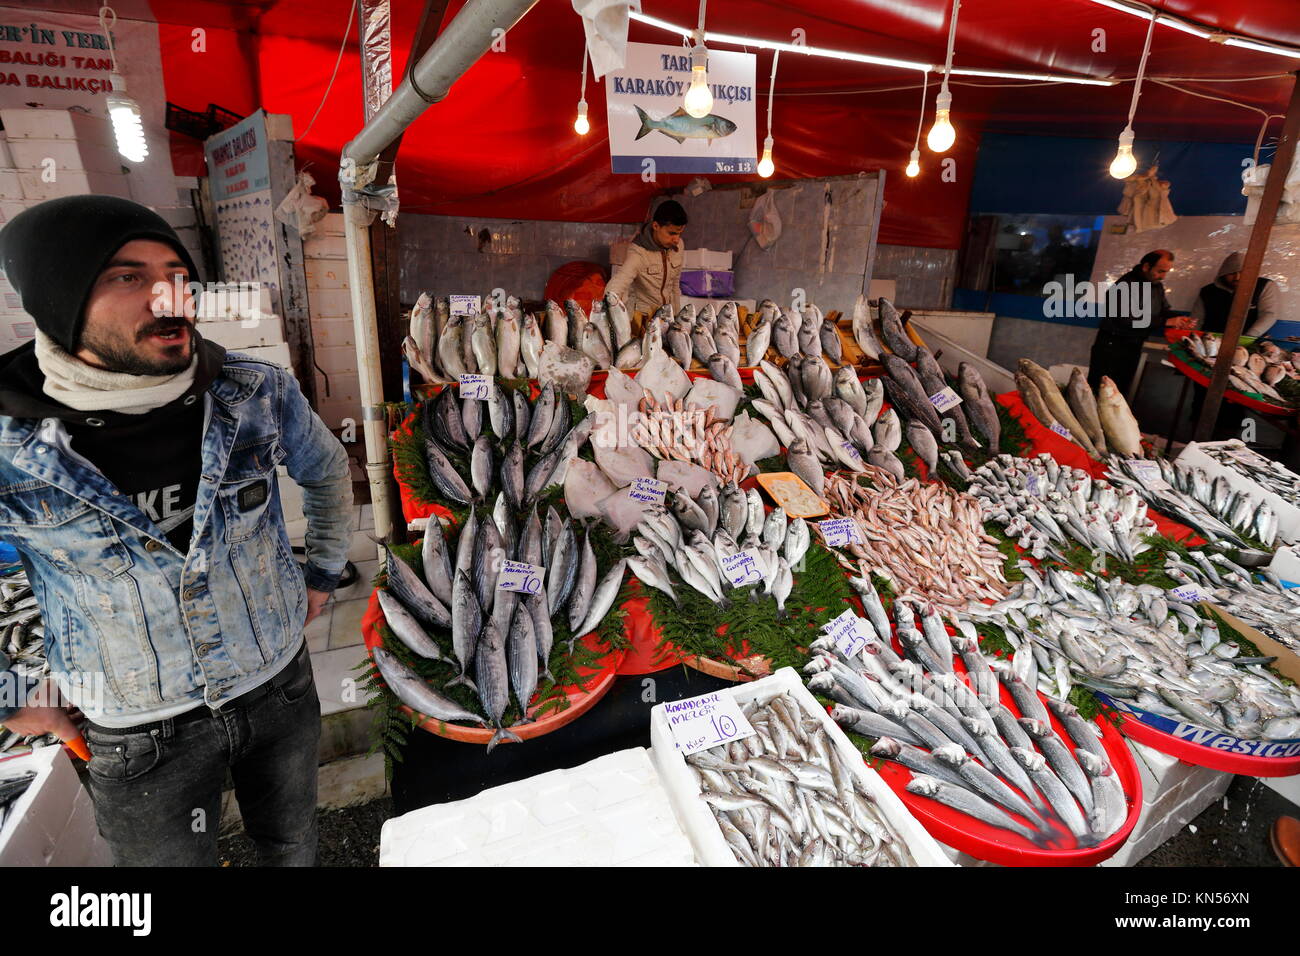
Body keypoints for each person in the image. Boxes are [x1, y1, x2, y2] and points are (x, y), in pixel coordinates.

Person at [0, 195, 353, 866]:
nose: (169, 296)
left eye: (178, 274)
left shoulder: (253, 391)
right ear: (56, 299)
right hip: (135, 726)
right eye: (127, 276)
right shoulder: (11, 445)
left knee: (292, 846)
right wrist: (11, 696)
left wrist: (321, 575)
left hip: (279, 683)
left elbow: (328, 473)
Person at [1087, 249, 1177, 392]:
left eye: (1166, 272)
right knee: (1101, 391)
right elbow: (1126, 318)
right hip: (1112, 346)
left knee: (1120, 392)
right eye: (1160, 271)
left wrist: (1178, 319)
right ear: (1146, 266)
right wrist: (1165, 322)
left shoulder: (1156, 285)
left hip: (1133, 345)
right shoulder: (1126, 284)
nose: (1163, 276)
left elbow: (1163, 309)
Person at [605, 199, 687, 317]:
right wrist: (605, 316)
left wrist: (677, 318)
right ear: (656, 226)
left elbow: (674, 286)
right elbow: (618, 284)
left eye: (680, 233)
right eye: (671, 233)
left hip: (666, 318)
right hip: (641, 320)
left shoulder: (679, 245)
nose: (677, 239)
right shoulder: (639, 253)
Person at [1190, 251, 1280, 337]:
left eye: (1242, 272)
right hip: (1211, 341)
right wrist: (1192, 337)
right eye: (1231, 273)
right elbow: (1196, 320)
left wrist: (1249, 336)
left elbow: (1268, 315)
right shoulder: (1207, 291)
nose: (1237, 277)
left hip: (1252, 342)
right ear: (1223, 274)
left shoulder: (1264, 286)